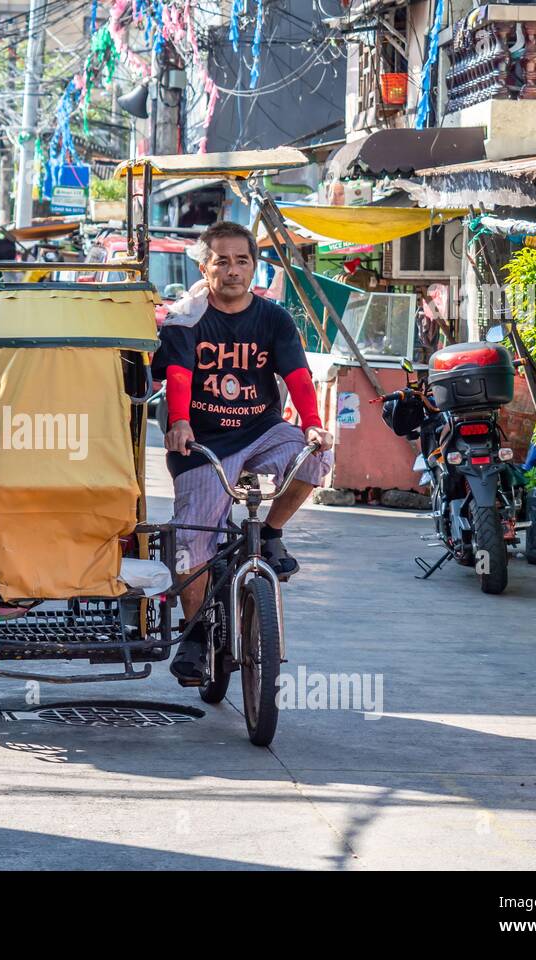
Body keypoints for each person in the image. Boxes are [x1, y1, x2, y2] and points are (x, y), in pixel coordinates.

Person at [152, 220, 335, 686]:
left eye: (242, 261)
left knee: (314, 458)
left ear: (253, 265)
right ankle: (194, 637)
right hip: (200, 439)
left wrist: (313, 424)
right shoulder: (186, 318)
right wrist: (178, 422)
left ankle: (271, 534)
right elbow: (177, 376)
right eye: (222, 261)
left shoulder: (274, 318)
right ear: (204, 266)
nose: (233, 271)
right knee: (192, 546)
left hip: (260, 430)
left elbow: (296, 377)